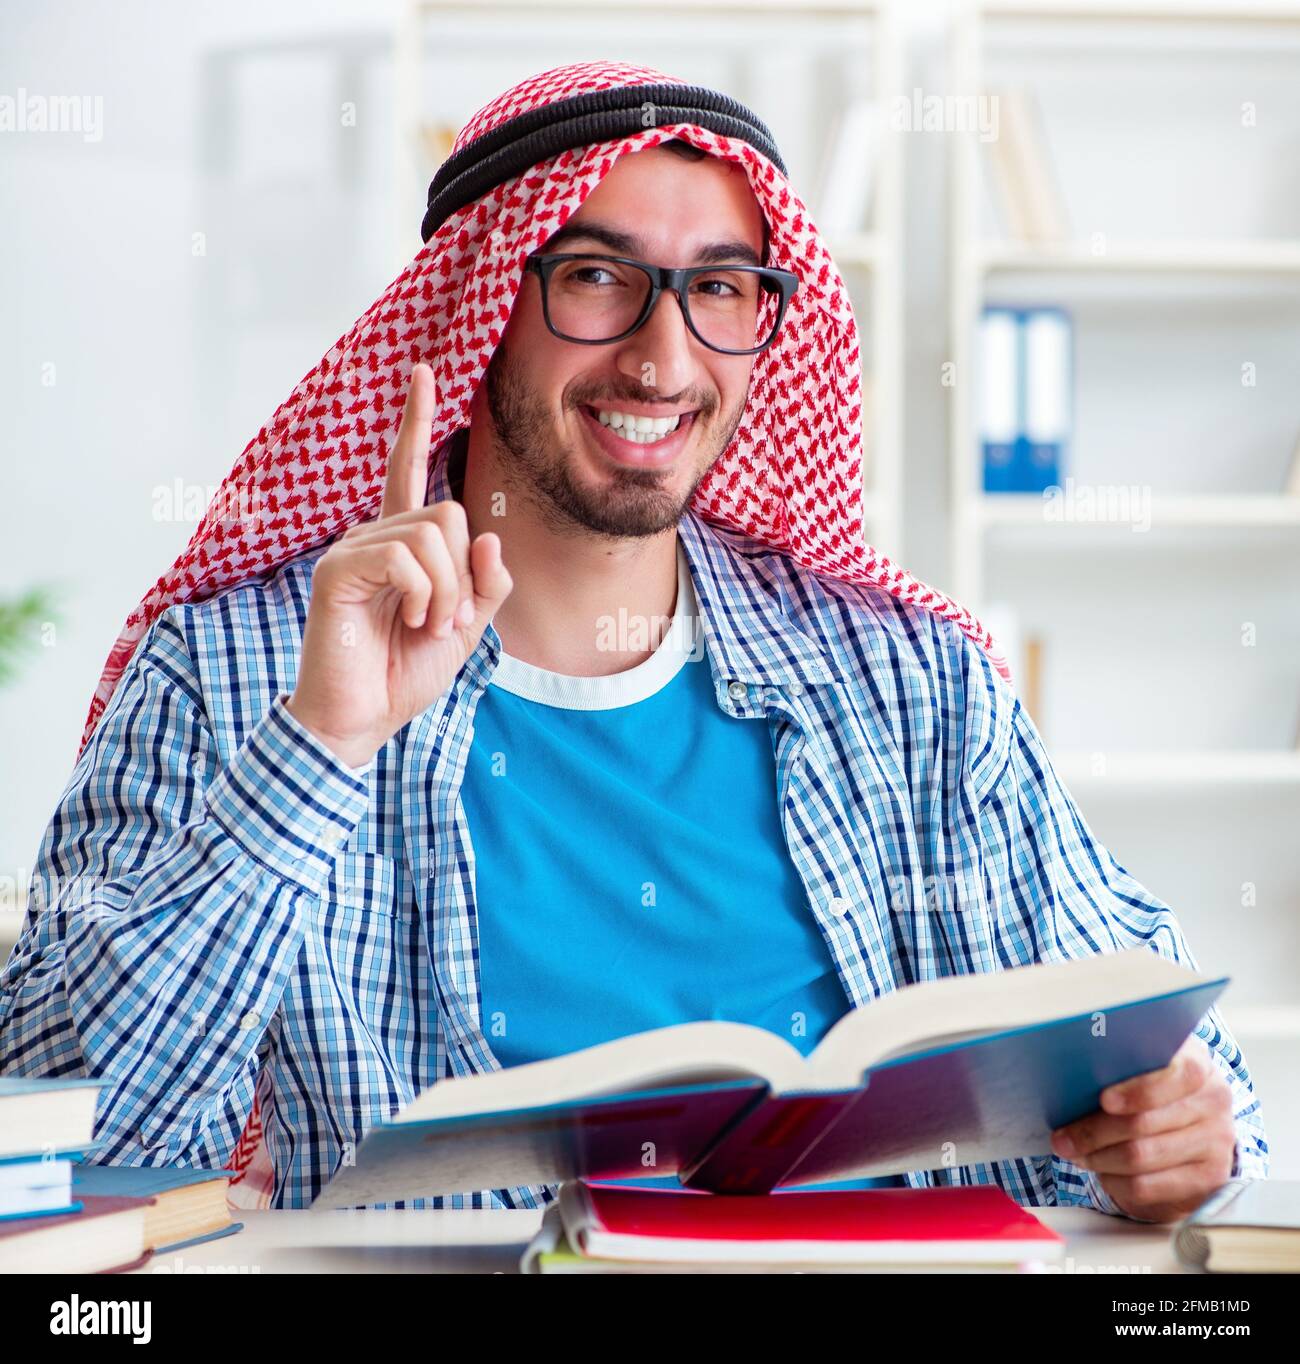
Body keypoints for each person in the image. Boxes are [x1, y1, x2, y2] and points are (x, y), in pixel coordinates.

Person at [0, 63, 1265, 1218]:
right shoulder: (230, 676)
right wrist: (319, 748)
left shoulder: (909, 684)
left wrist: (1181, 1134)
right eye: (598, 277)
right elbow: (61, 1144)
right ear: (478, 305)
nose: (664, 359)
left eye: (719, 287)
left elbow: (1165, 1053)